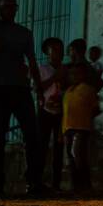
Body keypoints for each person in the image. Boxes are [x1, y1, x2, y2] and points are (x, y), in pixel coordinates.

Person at [0, 0, 45, 196]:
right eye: (6, 7)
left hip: (20, 87)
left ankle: (34, 181)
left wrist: (38, 88)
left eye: (13, 7)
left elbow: (32, 61)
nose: (10, 10)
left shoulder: (24, 33)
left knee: (32, 135)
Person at [61, 61, 99, 192]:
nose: (74, 76)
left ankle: (84, 184)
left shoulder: (87, 89)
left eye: (77, 73)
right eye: (71, 74)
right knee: (71, 158)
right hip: (68, 128)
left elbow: (95, 108)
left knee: (77, 155)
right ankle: (76, 185)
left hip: (81, 127)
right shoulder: (67, 92)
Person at [38, 37, 66, 191]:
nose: (58, 52)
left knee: (59, 147)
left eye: (60, 49)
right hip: (45, 111)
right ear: (47, 52)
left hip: (61, 112)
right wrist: (55, 78)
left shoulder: (65, 69)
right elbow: (38, 87)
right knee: (42, 145)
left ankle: (56, 182)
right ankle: (38, 180)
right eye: (54, 49)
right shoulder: (43, 69)